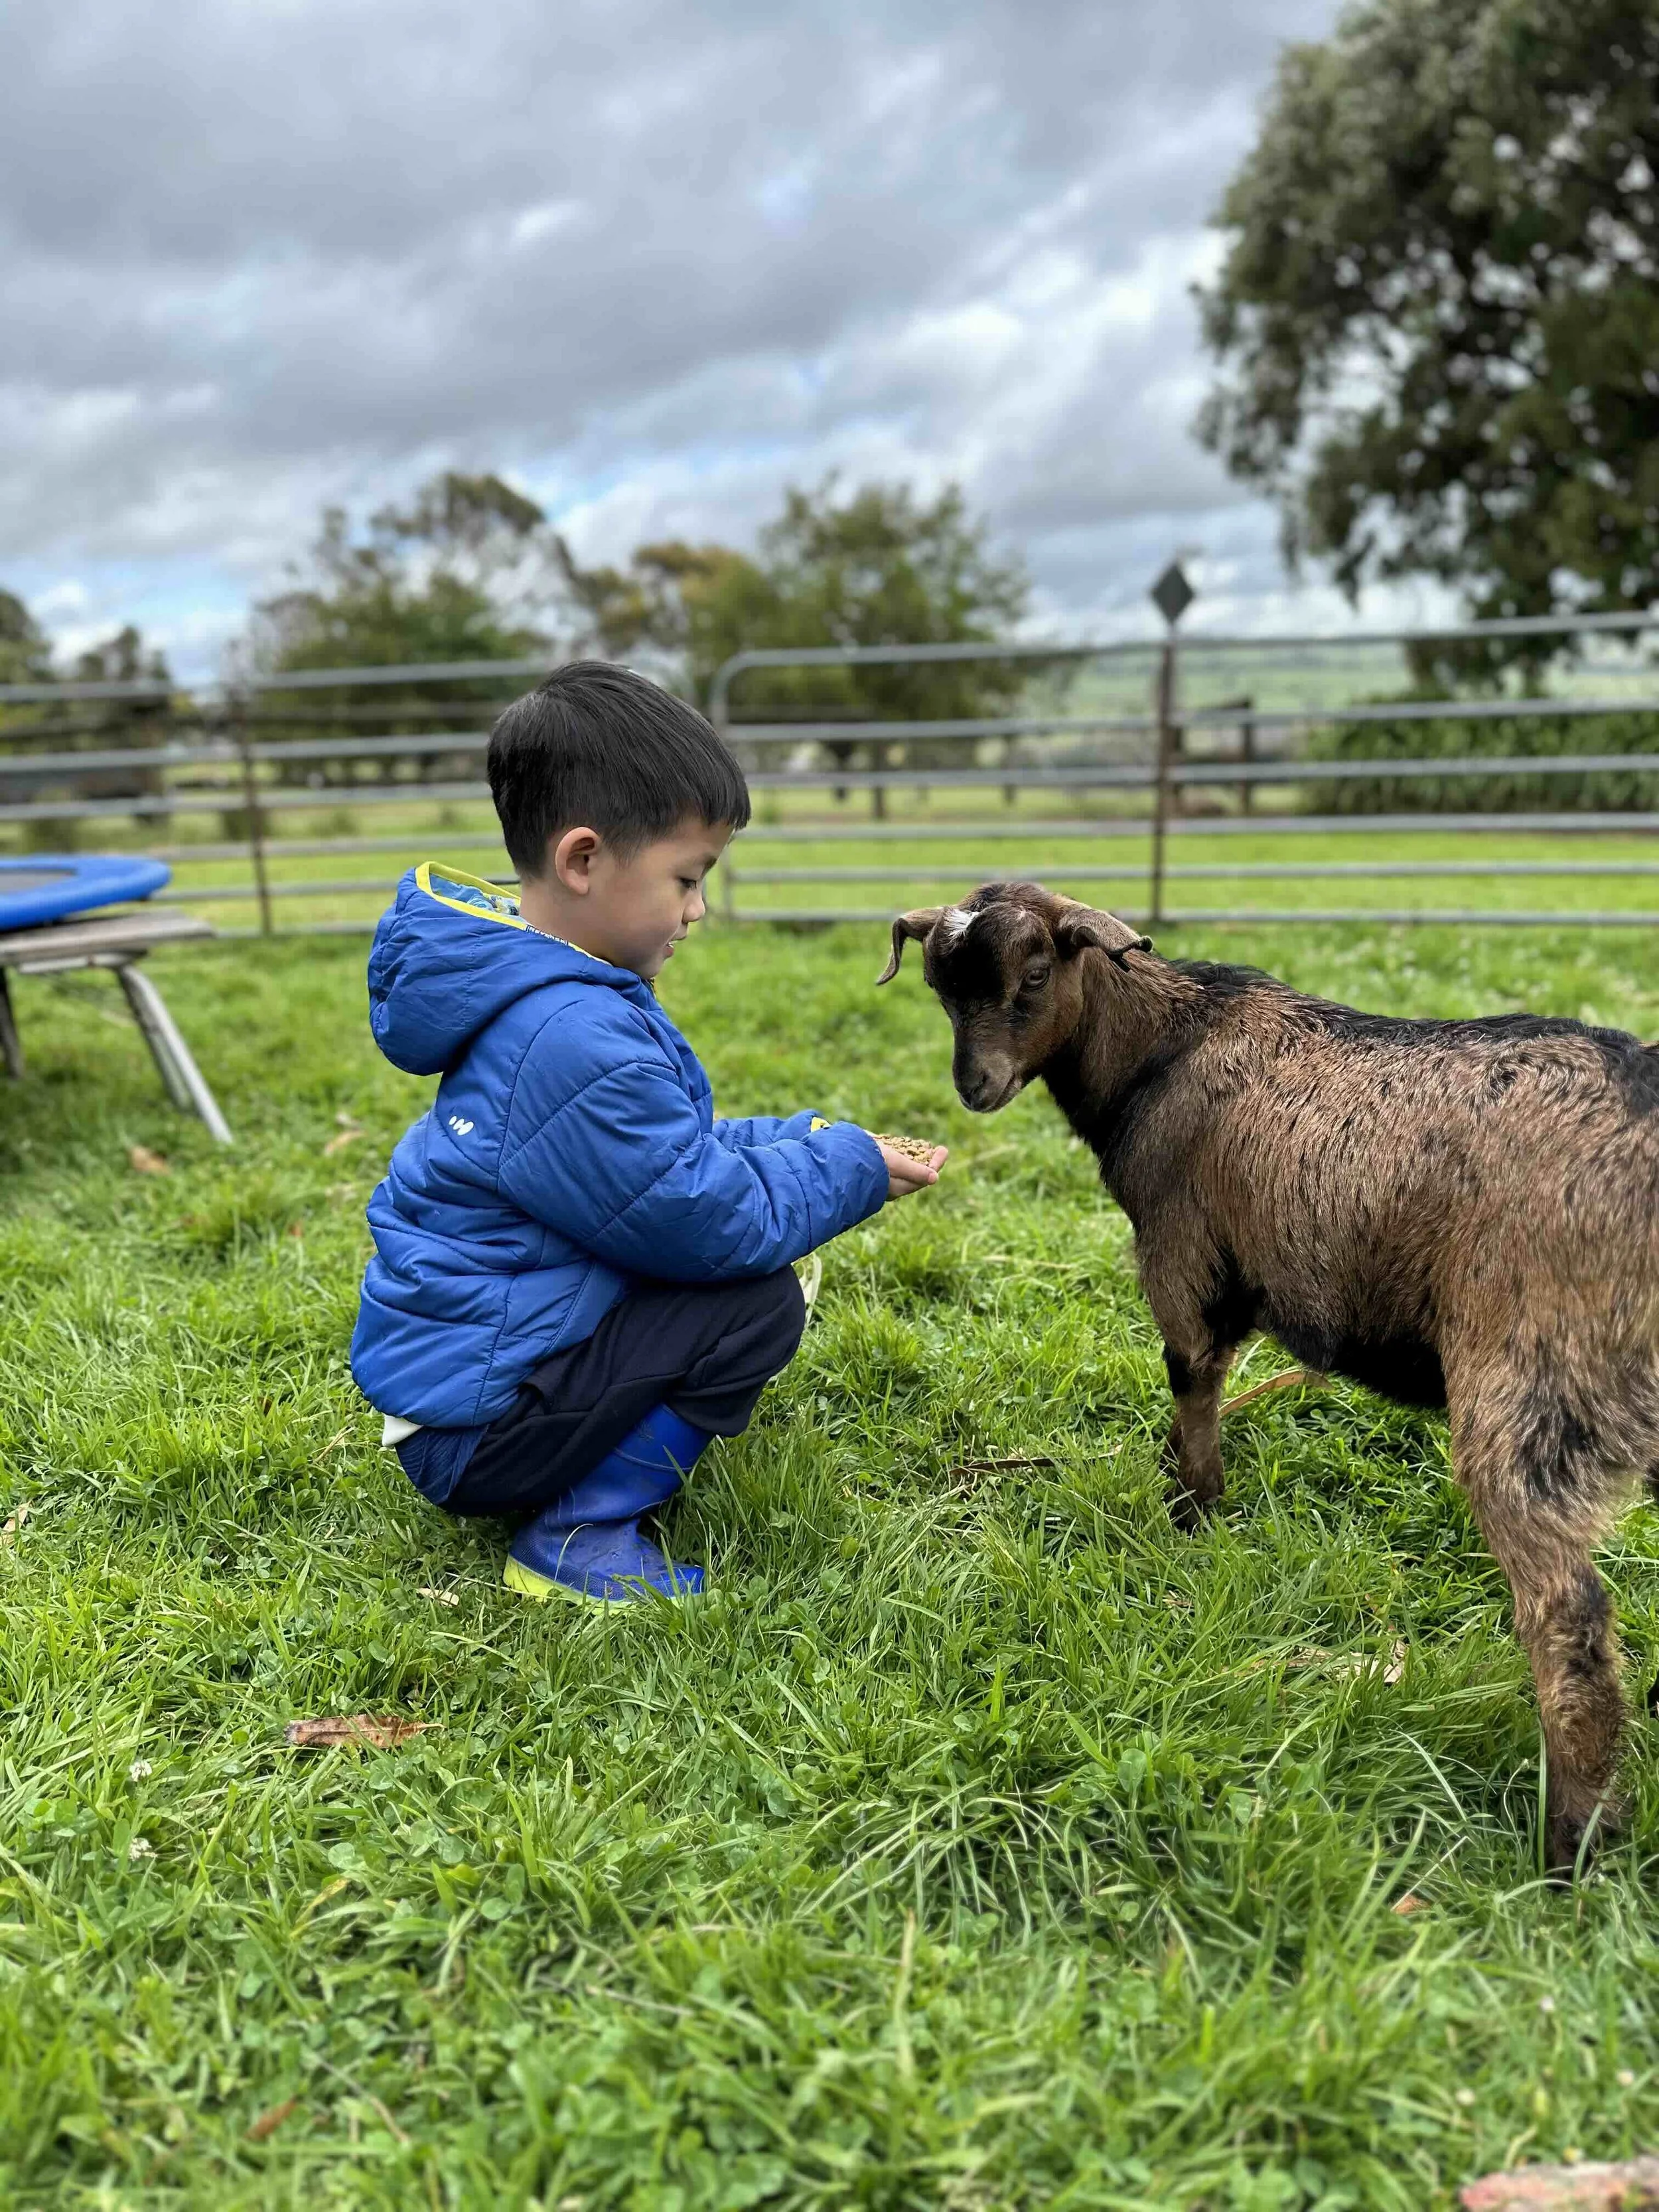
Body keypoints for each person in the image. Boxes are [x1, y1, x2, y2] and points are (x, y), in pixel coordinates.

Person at [350, 662, 946, 1604]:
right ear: (584, 860)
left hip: (465, 1395)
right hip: (476, 1435)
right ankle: (575, 1535)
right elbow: (703, 1220)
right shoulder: (570, 1034)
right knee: (752, 1303)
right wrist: (843, 1168)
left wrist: (809, 1136)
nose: (699, 910)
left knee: (731, 1279)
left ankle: (584, 1467)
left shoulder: (543, 990)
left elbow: (663, 1157)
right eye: (688, 878)